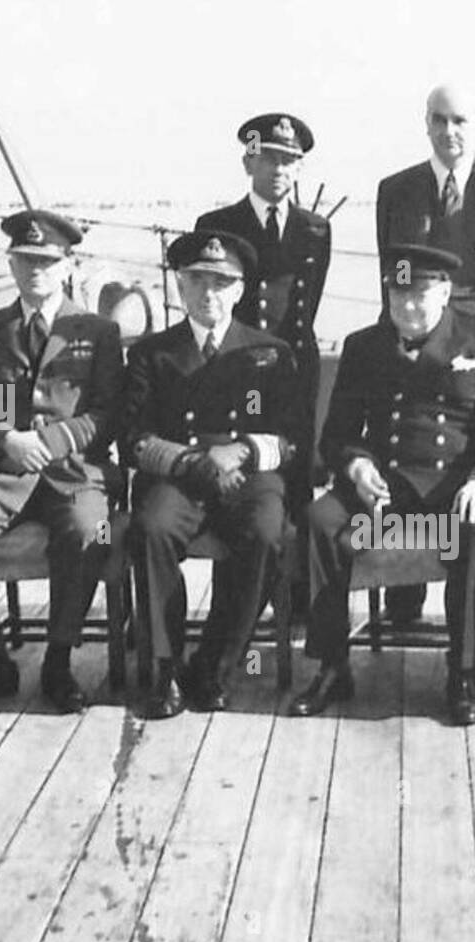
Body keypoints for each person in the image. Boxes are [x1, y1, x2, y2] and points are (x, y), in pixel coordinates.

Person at [291, 244, 475, 726]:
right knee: (320, 522)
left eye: (419, 296)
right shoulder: (365, 347)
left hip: (453, 497)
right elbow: (337, 434)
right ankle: (332, 665)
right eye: (398, 297)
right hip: (386, 496)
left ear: (444, 292)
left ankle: (464, 674)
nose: (408, 308)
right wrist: (357, 468)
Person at [0, 209, 122, 715]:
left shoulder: (96, 330)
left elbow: (111, 412)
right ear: (11, 264)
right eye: (25, 260)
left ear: (66, 265)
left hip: (73, 474)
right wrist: (3, 439)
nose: (36, 270)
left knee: (89, 532)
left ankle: (59, 659)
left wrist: (54, 440)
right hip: (2, 474)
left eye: (47, 261)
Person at [376, 83, 475, 624]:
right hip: (417, 339)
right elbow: (393, 272)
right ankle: (403, 592)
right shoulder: (396, 190)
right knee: (416, 451)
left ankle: (467, 612)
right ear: (425, 123)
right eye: (440, 120)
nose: (451, 131)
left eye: (461, 120)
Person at [123, 229, 302, 718]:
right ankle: (163, 667)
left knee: (268, 532)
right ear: (180, 285)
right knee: (151, 528)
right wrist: (196, 463)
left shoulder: (270, 352)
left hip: (247, 477)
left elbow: (289, 438)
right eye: (197, 280)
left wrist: (241, 449)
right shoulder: (151, 354)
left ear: (240, 289)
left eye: (221, 283)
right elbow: (134, 438)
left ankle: (215, 664)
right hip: (179, 477)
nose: (209, 294)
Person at [196, 112, 330, 613]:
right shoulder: (219, 228)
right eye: (270, 157)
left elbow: (306, 307)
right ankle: (237, 598)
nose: (280, 169)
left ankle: (293, 598)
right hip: (235, 371)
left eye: (290, 160)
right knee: (235, 478)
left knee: (294, 478)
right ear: (248, 159)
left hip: (294, 370)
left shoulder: (316, 229)